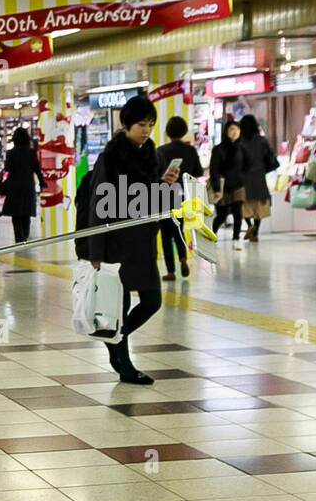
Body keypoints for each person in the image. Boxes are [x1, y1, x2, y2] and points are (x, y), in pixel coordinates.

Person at [81, 94, 180, 385]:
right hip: (116, 241)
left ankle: (115, 341)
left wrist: (166, 185)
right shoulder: (110, 157)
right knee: (120, 307)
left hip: (143, 240)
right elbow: (99, 203)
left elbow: (156, 201)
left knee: (152, 301)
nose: (146, 130)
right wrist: (95, 251)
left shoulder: (155, 155)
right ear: (125, 124)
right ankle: (125, 365)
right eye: (140, 124)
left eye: (150, 124)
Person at [155, 116, 203, 281]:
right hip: (183, 196)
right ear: (184, 131)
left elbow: (155, 174)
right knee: (179, 230)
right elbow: (199, 172)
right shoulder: (190, 151)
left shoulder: (160, 151)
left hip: (163, 196)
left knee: (166, 235)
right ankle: (182, 258)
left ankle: (170, 271)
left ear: (167, 132)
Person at [237, 114, 278, 243]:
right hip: (259, 176)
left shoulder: (239, 142)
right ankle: (255, 233)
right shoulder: (262, 141)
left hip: (244, 178)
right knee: (258, 207)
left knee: (245, 205)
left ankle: (249, 226)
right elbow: (271, 159)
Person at [2, 127, 45, 244]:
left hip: (14, 186)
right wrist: (42, 182)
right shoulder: (31, 153)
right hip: (28, 186)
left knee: (16, 215)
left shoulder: (10, 153)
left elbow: (7, 169)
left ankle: (19, 239)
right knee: (26, 212)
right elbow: (37, 169)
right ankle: (25, 236)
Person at [209, 120, 246, 251]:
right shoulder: (219, 149)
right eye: (231, 129)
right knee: (221, 215)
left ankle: (236, 238)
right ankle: (211, 234)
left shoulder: (242, 148)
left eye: (237, 129)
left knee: (237, 212)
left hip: (239, 186)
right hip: (223, 186)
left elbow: (248, 166)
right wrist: (217, 188)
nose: (234, 132)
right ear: (226, 132)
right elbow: (213, 169)